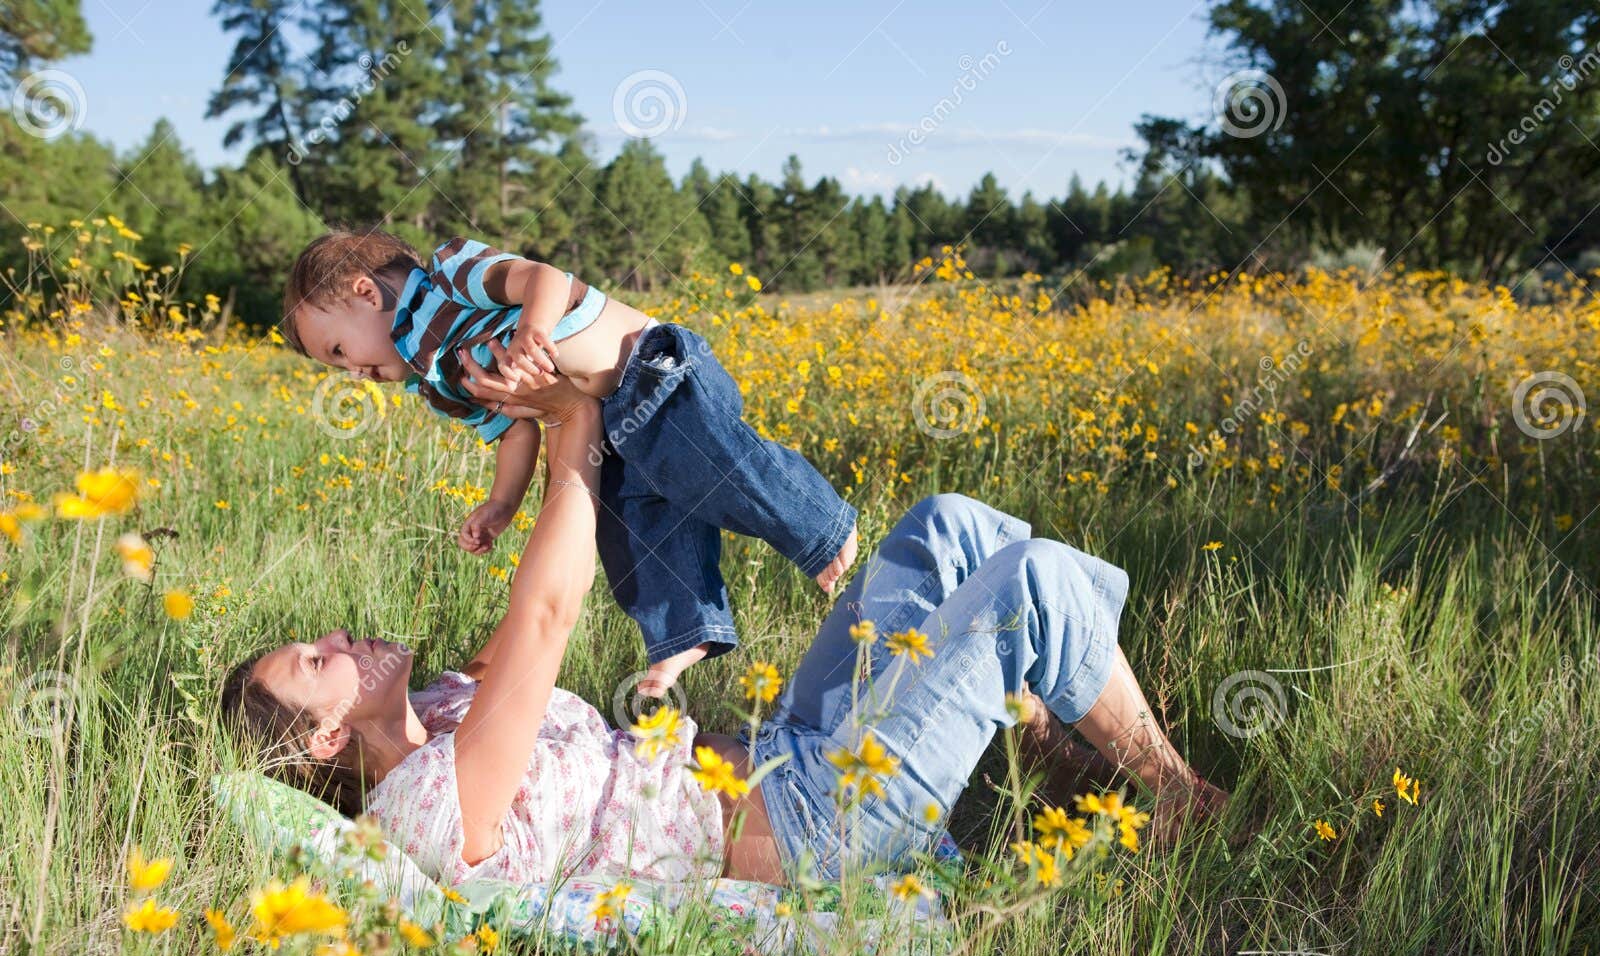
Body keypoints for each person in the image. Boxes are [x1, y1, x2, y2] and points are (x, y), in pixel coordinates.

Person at [220, 374, 1230, 890]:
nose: (344, 636)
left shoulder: (444, 705)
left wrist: (530, 416)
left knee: (949, 525)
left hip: (791, 747)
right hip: (821, 823)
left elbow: (518, 614)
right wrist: (576, 423)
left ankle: (1049, 740)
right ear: (325, 737)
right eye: (320, 661)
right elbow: (545, 615)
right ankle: (1180, 800)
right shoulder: (428, 807)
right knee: (1033, 580)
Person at [279, 228, 858, 697]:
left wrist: (533, 325)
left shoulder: (450, 275)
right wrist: (503, 503)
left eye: (338, 351)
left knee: (708, 466)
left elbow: (546, 278)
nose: (352, 372)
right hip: (612, 422)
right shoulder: (441, 384)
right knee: (634, 530)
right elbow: (513, 430)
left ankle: (821, 525)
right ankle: (686, 633)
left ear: (365, 291)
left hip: (652, 368)